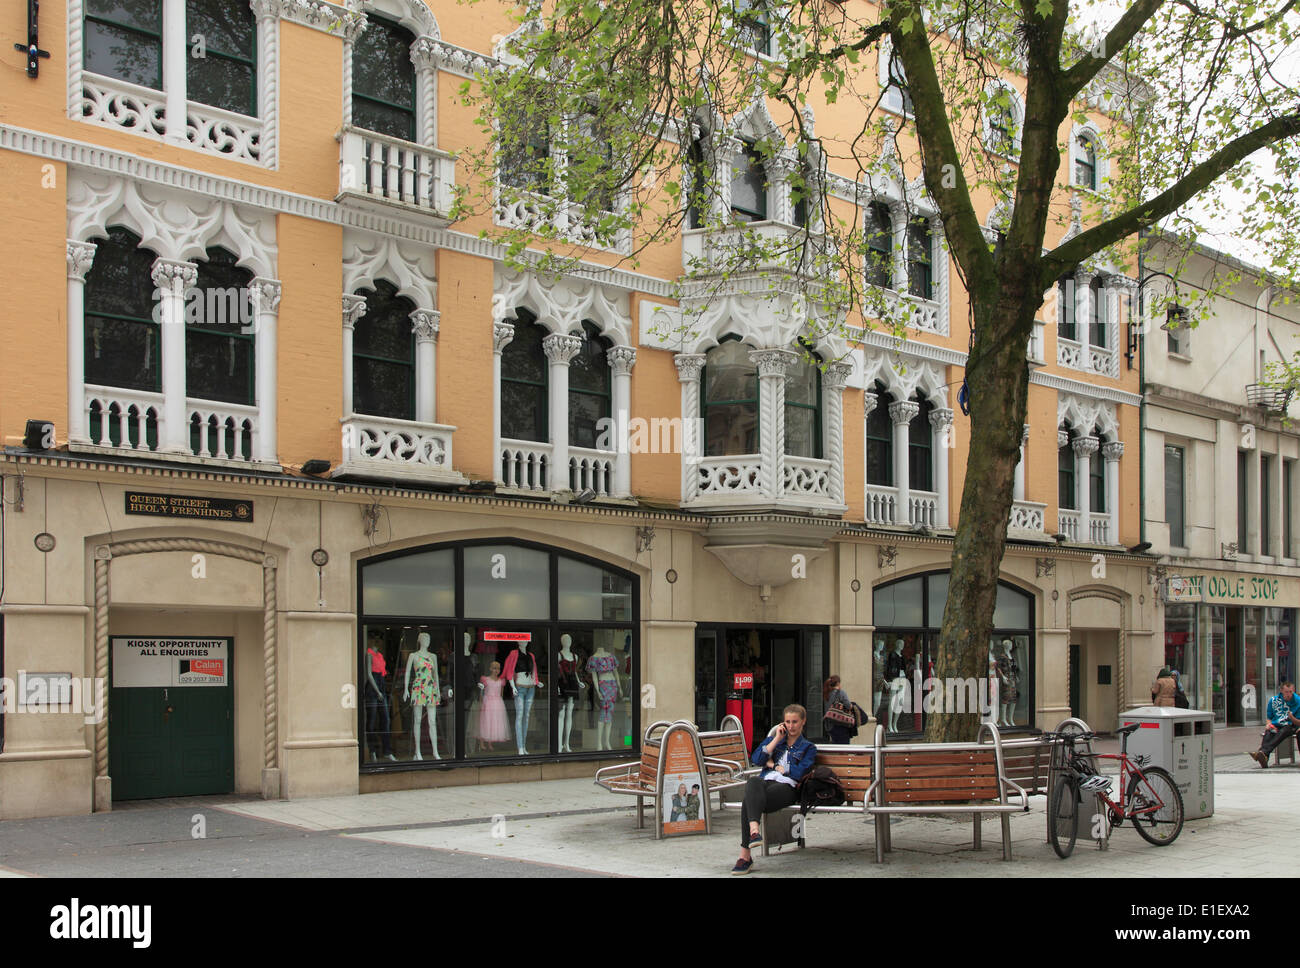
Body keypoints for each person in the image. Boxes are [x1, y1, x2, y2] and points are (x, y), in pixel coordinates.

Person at [731, 705, 817, 875]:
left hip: (788, 787)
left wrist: (781, 768)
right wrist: (776, 739)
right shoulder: (776, 740)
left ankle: (745, 856)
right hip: (766, 782)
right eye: (787, 722)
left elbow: (801, 773)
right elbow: (756, 758)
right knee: (753, 782)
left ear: (803, 722)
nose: (791, 726)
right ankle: (754, 831)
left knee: (748, 801)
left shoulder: (808, 747)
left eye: (795, 722)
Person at [1250, 681, 1300, 768]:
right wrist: (1268, 724)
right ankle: (1264, 757)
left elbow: (1298, 722)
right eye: (1286, 692)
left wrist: (1291, 717)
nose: (1288, 694)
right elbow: (1269, 717)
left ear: (1294, 691)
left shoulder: (1298, 701)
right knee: (1269, 731)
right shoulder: (1274, 700)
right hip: (1277, 724)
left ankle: (1263, 752)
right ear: (1281, 691)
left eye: (1291, 692)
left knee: (1284, 730)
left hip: (1291, 724)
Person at [822, 675, 856, 744]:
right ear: (838, 683)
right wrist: (853, 706)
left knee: (836, 744)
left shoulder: (827, 693)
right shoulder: (841, 693)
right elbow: (848, 706)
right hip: (840, 724)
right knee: (844, 747)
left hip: (830, 725)